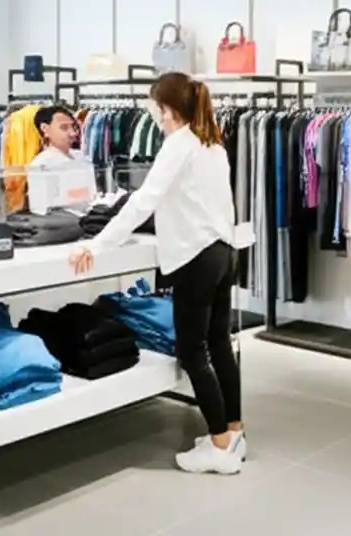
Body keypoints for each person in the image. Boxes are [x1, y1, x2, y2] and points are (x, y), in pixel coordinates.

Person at [68, 72, 244, 475]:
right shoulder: (212, 143)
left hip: (196, 258)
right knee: (219, 344)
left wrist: (96, 245)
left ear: (170, 109)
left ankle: (218, 448)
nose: (157, 118)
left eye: (158, 110)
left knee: (192, 350)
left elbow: (143, 202)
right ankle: (233, 433)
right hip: (222, 251)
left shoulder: (179, 144)